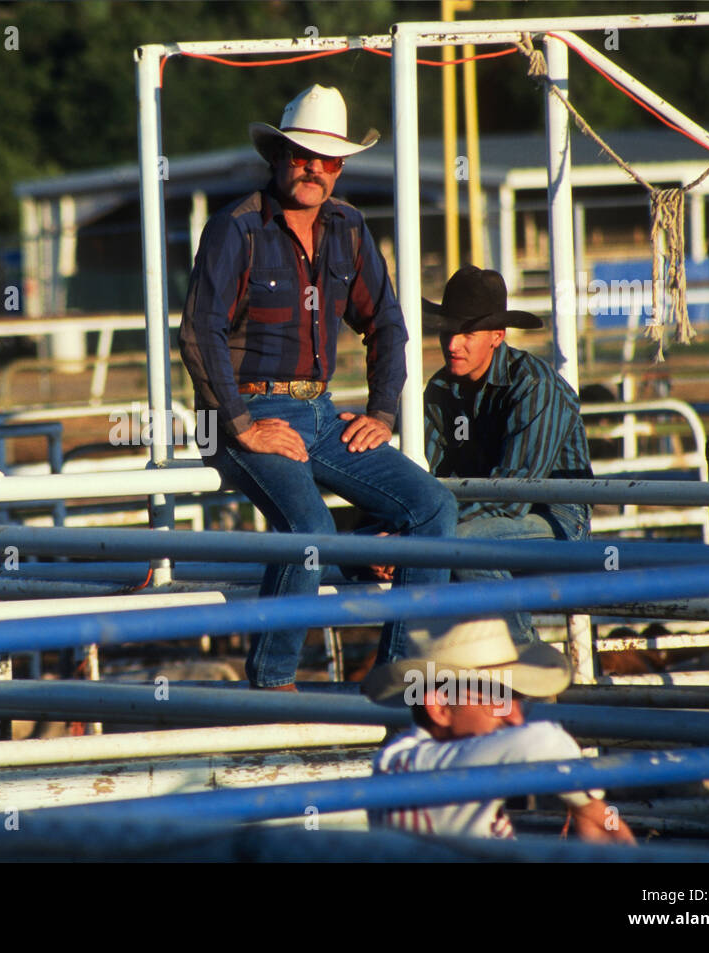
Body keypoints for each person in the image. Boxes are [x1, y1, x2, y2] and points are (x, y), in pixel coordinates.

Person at [179, 85, 457, 690]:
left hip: (320, 410)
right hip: (246, 410)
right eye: (301, 155)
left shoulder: (348, 229)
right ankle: (273, 683)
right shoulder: (237, 228)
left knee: (433, 506)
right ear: (277, 157)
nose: (312, 168)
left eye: (326, 159)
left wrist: (382, 411)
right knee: (309, 529)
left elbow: (386, 322)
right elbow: (201, 330)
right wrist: (243, 426)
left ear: (340, 168)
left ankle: (401, 675)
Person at [421, 266, 594, 651]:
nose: (452, 344)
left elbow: (514, 494)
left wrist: (428, 528)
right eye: (447, 330)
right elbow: (425, 475)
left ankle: (523, 658)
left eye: (467, 333)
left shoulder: (534, 384)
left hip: (558, 519)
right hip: (483, 514)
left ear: (497, 336)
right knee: (370, 551)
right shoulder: (440, 388)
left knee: (461, 544)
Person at [362, 617, 635, 844]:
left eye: (516, 701)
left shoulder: (417, 766)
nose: (516, 719)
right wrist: (589, 807)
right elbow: (541, 741)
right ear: (440, 707)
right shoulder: (411, 769)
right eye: (497, 700)